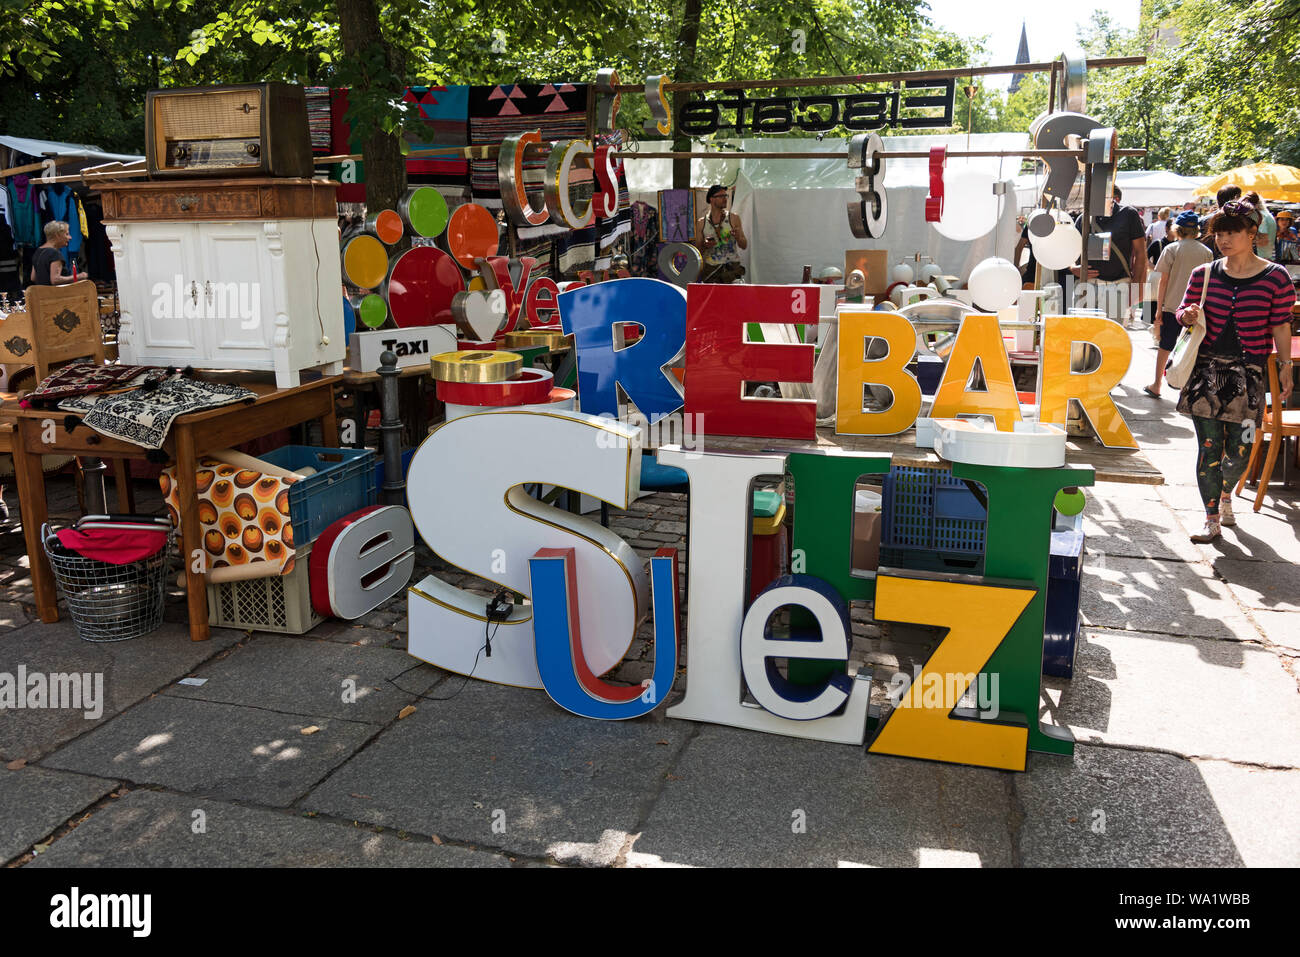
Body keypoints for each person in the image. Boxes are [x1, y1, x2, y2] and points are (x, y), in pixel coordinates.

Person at [1174, 192, 1295, 542]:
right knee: (1208, 448)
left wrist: (1285, 366)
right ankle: (1211, 516)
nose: (1223, 239)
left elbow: (1281, 325)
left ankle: (1226, 492)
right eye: (1219, 233)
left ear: (1253, 232)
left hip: (1249, 375)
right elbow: (1182, 312)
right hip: (1205, 374)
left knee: (1239, 452)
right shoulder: (1203, 274)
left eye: (1232, 232)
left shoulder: (1276, 278)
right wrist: (1188, 316)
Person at [1145, 210, 1212, 398]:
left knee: (1165, 347)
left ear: (1177, 229)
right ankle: (1187, 389)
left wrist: (1158, 310)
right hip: (1197, 309)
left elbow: (1163, 280)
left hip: (1172, 306)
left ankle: (1157, 384)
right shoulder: (1207, 252)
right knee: (1191, 349)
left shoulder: (1172, 249)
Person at [1071, 185, 1148, 329]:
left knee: (1110, 340)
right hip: (1087, 286)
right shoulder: (1084, 218)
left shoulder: (1128, 214)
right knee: (1083, 337)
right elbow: (1070, 251)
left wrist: (1137, 287)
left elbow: (1141, 253)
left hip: (1118, 286)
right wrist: (1073, 268)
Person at [695, 184, 747, 283]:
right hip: (711, 270)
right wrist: (705, 245)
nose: (725, 199)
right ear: (712, 199)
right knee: (714, 298)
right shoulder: (701, 222)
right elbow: (698, 252)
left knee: (734, 297)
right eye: (721, 196)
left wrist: (738, 237)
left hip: (732, 268)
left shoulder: (734, 218)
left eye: (726, 196)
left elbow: (744, 245)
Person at [31, 221, 77, 286]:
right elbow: (55, 280)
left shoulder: (38, 251)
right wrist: (77, 277)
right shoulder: (55, 254)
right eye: (67, 234)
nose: (70, 237)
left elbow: (33, 278)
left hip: (41, 294)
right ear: (57, 235)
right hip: (55, 294)